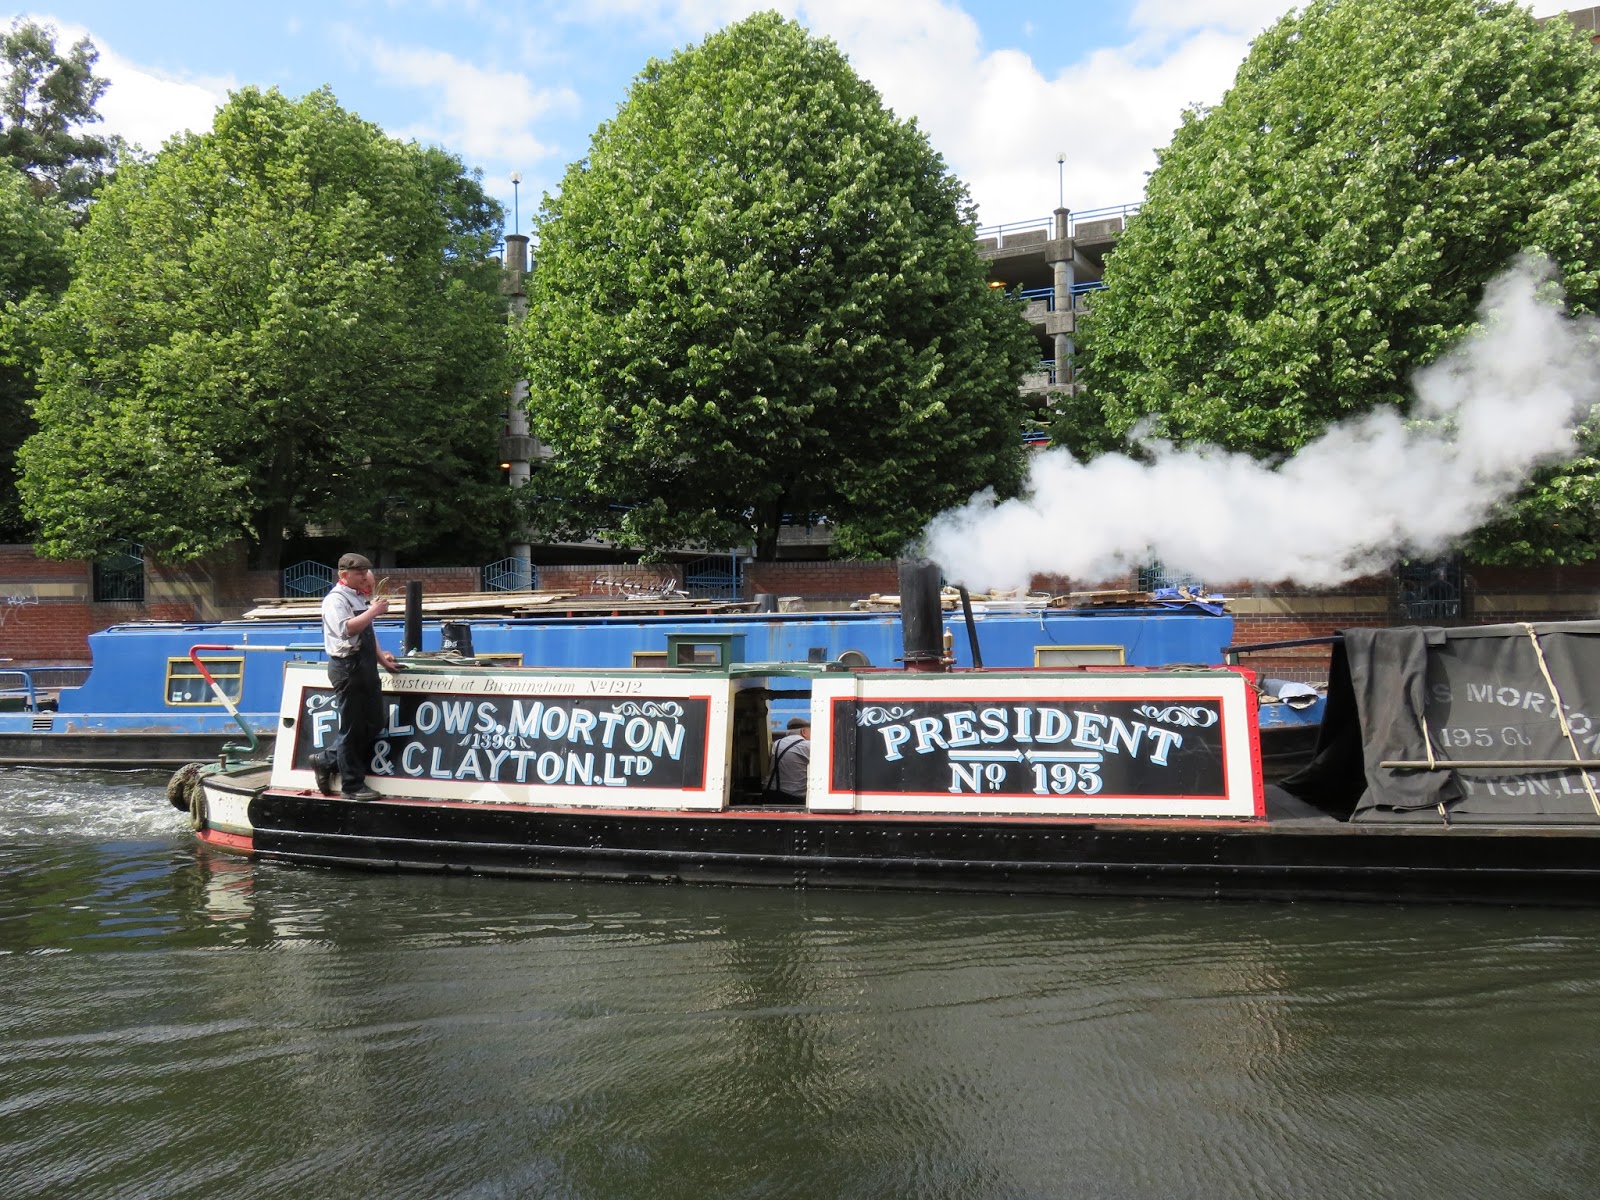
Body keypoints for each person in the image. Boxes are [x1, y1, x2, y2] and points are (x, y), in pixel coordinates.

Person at [310, 553, 399, 801]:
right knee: (352, 728)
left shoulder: (358, 597)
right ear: (344, 575)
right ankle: (352, 786)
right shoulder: (335, 601)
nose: (363, 578)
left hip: (366, 665)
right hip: (347, 667)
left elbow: (367, 633)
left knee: (373, 723)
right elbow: (346, 629)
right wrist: (374, 611)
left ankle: (325, 759)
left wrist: (382, 659)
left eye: (365, 573)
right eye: (359, 573)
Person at [765, 716, 811, 804]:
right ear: (804, 732)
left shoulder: (776, 744)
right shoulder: (807, 746)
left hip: (772, 793)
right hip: (794, 797)